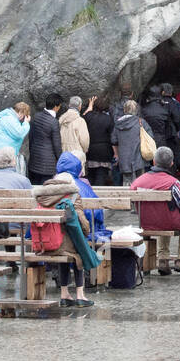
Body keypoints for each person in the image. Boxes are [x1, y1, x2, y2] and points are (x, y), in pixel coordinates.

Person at [33, 176, 99, 306]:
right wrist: (87, 230)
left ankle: (64, 294)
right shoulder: (72, 195)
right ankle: (80, 295)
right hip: (62, 243)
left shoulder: (41, 195)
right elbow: (81, 220)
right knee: (78, 250)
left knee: (65, 249)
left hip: (45, 244)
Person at [131, 147, 180, 275]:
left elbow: (132, 198)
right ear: (171, 163)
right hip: (170, 222)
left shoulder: (138, 181)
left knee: (163, 220)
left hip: (146, 223)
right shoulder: (173, 183)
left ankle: (163, 260)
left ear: (154, 161)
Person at [25, 94, 63, 185]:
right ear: (56, 107)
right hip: (47, 166)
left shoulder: (36, 116)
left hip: (34, 161)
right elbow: (57, 145)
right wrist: (60, 160)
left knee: (34, 189)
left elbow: (31, 137)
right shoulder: (54, 122)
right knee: (45, 191)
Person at [82, 96, 116, 186]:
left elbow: (84, 116)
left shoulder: (88, 117)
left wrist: (90, 105)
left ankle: (89, 196)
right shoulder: (109, 119)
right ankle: (97, 197)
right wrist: (116, 153)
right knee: (101, 176)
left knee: (91, 176)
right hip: (105, 151)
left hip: (91, 150)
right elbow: (112, 138)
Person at [111, 99, 148, 181]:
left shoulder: (118, 123)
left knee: (127, 181)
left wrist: (116, 154)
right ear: (136, 110)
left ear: (124, 110)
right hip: (139, 157)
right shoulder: (141, 122)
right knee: (141, 182)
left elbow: (113, 140)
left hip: (124, 158)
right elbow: (150, 137)